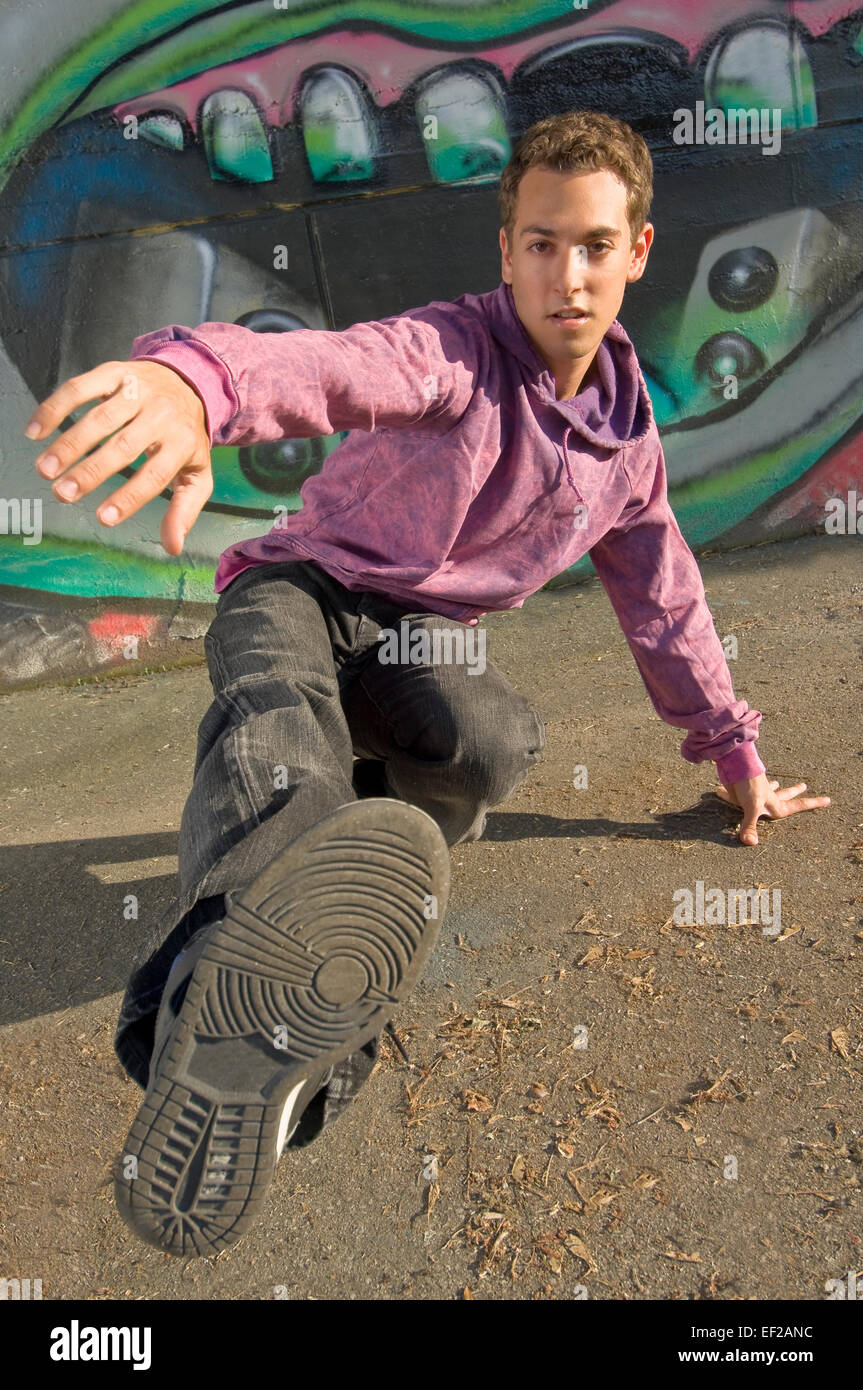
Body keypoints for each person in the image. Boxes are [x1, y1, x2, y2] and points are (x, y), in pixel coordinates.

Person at [25, 110, 830, 1258]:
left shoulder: (625, 453)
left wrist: (732, 752)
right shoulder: (450, 354)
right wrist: (198, 385)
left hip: (417, 639)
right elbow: (327, 368)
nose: (567, 275)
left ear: (637, 252)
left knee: (494, 742)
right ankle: (228, 985)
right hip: (304, 588)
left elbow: (664, 604)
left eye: (594, 246)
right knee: (271, 719)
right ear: (504, 251)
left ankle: (360, 886)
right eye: (541, 244)